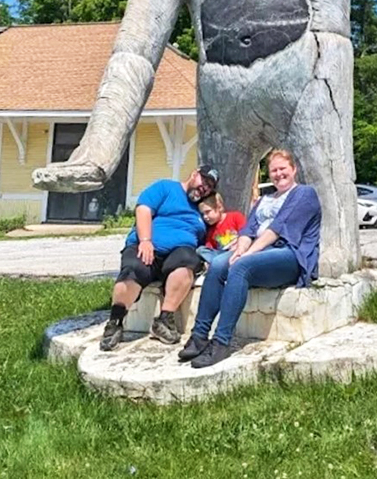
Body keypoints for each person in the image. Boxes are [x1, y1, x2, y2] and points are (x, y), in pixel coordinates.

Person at [178, 149, 321, 368]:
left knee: (240, 267)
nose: (278, 174)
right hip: (260, 252)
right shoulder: (264, 199)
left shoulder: (303, 193)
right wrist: (238, 251)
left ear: (294, 169)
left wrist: (246, 254)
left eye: (283, 169)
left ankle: (221, 343)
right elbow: (247, 231)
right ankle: (199, 336)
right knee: (217, 264)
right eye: (274, 170)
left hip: (290, 255)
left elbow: (277, 229)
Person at [100, 164, 219, 351]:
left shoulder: (202, 210)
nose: (205, 187)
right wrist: (146, 240)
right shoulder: (166, 187)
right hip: (147, 247)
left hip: (179, 254)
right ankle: (115, 321)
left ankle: (164, 320)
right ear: (194, 173)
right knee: (134, 269)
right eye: (204, 181)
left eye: (210, 186)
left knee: (188, 261)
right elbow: (144, 209)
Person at [197, 193, 246, 264]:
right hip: (221, 255)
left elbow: (245, 233)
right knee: (200, 250)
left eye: (208, 212)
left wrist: (238, 246)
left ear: (219, 207)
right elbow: (210, 248)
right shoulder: (211, 231)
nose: (205, 217)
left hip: (237, 249)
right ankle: (217, 263)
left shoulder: (235, 217)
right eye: (203, 214)